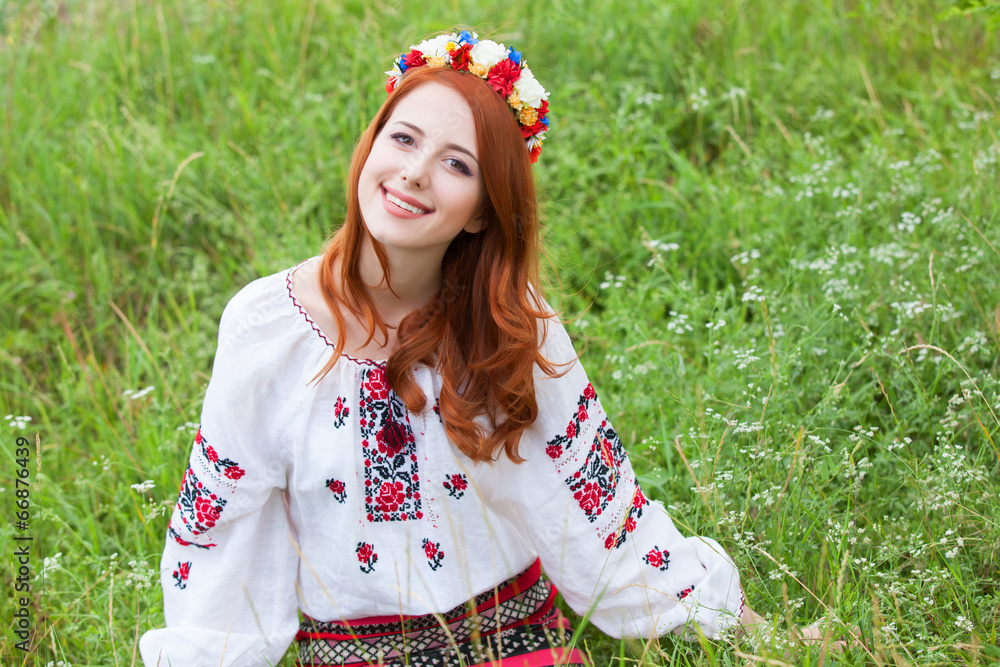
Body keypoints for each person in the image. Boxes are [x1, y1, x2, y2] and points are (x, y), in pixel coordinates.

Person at [139, 30, 759, 667]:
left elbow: (592, 498)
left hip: (510, 641)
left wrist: (737, 623)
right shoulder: (267, 328)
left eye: (456, 164)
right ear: (372, 144)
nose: (413, 171)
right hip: (354, 655)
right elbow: (222, 530)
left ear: (482, 213)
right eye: (403, 139)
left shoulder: (510, 323)